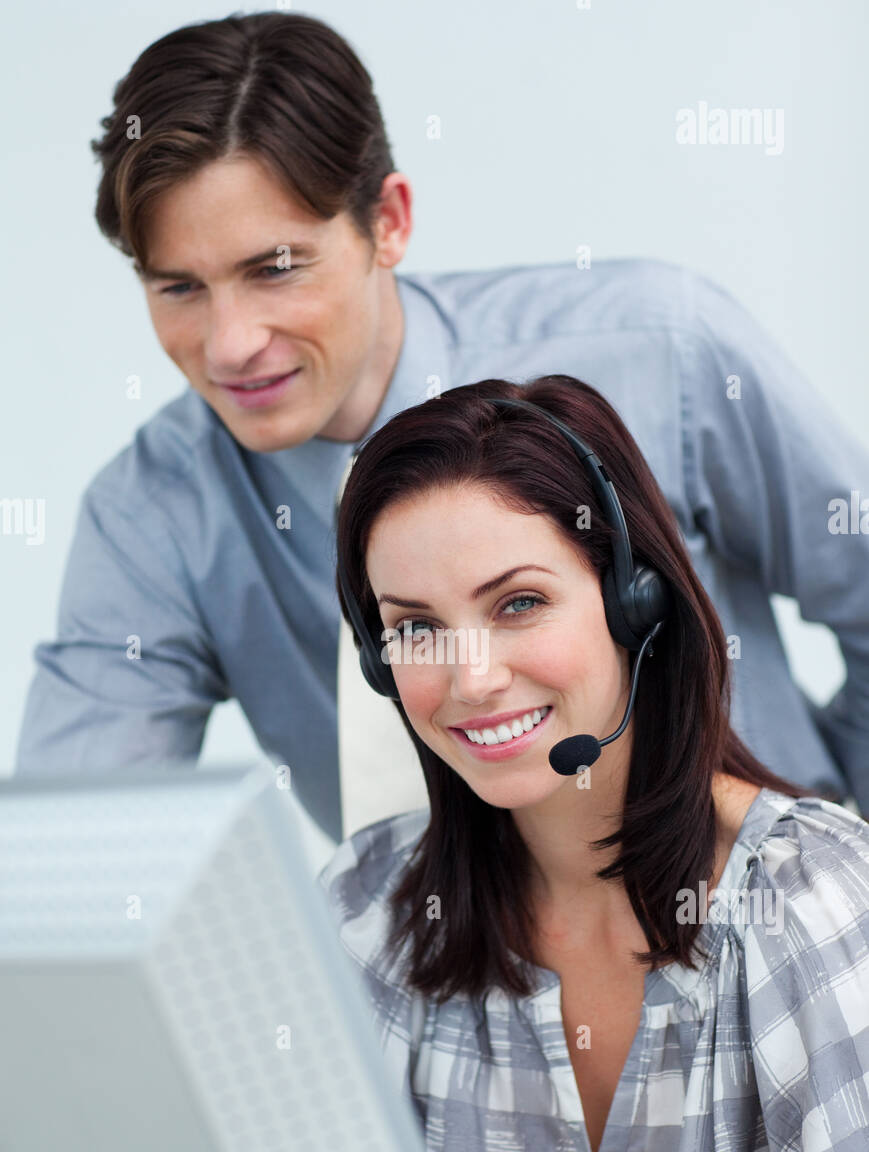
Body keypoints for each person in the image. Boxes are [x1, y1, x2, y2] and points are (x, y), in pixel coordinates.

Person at [14, 11, 869, 843]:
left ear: (388, 222)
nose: (230, 345)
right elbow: (77, 850)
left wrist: (822, 864)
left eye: (275, 269)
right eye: (179, 288)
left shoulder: (661, 350)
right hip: (446, 974)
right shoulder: (152, 513)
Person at [317, 374, 869, 1152]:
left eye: (517, 604)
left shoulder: (811, 907)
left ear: (634, 605)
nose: (472, 679)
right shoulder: (367, 910)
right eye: (414, 628)